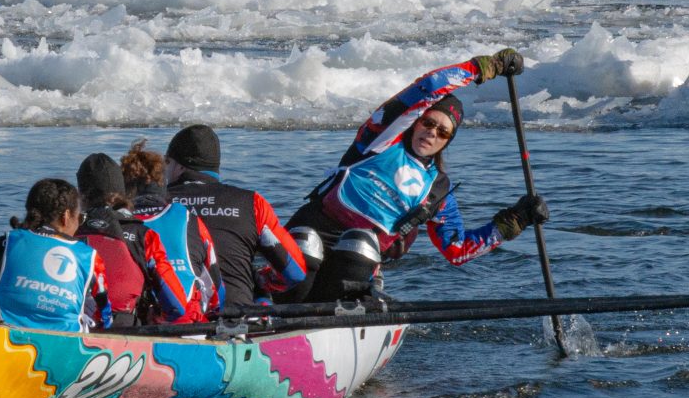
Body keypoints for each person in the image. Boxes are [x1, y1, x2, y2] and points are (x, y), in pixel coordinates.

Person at [286, 52, 544, 302]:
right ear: (416, 121)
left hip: (357, 258)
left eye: (443, 132)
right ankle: (273, 303)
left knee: (359, 243)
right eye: (429, 123)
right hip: (312, 230)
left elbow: (458, 249)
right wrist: (485, 67)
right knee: (305, 243)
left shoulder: (438, 190)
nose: (433, 133)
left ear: (447, 142)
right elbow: (429, 86)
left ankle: (329, 313)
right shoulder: (380, 139)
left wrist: (515, 221)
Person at [161, 125, 308, 308]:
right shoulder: (252, 203)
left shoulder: (155, 203)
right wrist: (262, 281)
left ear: (180, 166)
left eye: (167, 163)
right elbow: (296, 272)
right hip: (237, 319)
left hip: (174, 318)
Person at [0, 179, 112, 333]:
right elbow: (105, 318)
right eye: (79, 218)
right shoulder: (90, 257)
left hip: (2, 338)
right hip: (65, 343)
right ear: (66, 216)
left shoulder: (0, 246)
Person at [74, 154, 198, 328]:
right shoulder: (144, 236)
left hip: (75, 325)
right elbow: (177, 305)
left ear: (80, 196)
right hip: (124, 331)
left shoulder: (69, 231)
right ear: (123, 193)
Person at [116, 140, 221, 319]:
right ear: (162, 183)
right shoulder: (186, 217)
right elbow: (216, 287)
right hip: (189, 323)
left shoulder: (116, 221)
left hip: (134, 324)